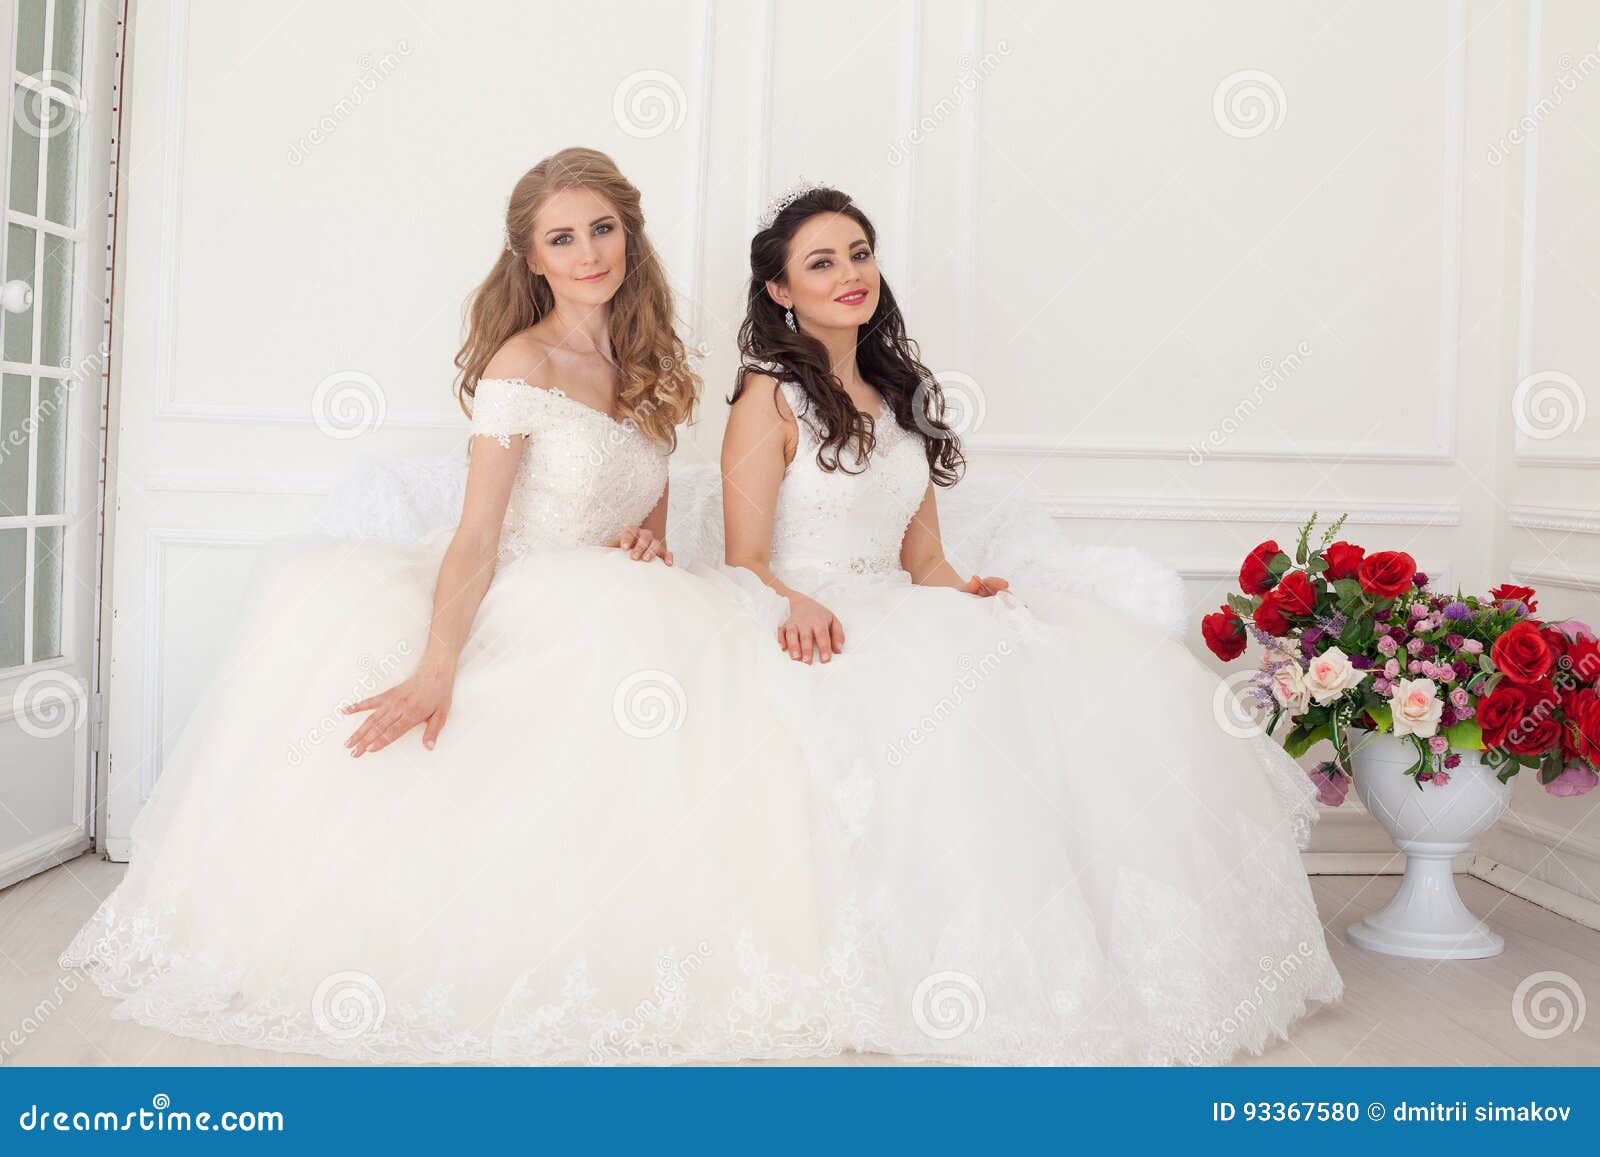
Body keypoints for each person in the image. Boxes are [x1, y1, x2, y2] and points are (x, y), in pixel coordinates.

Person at [60, 149, 864, 1066]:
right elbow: (477, 536)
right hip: (511, 587)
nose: (589, 252)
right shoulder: (521, 363)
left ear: (628, 236)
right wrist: (436, 665)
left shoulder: (649, 364)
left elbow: (650, 521)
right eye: (562, 238)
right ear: (531, 259)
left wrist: (645, 546)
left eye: (603, 229)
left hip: (607, 597)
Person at [714, 184, 1345, 1064]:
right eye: (821, 262)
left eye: (859, 251)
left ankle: (1084, 959)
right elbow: (742, 552)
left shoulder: (900, 395)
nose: (850, 273)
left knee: (1056, 664)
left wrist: (967, 589)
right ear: (781, 290)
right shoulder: (770, 398)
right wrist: (794, 597)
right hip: (808, 611)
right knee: (944, 708)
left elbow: (922, 561)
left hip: (895, 604)